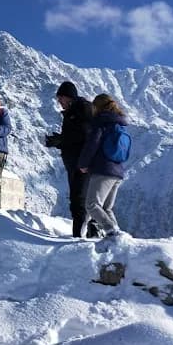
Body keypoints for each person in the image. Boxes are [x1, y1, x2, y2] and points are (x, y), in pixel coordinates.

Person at [45, 81, 100, 238]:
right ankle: (81, 233)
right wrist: (58, 142)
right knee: (78, 199)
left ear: (68, 97)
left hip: (82, 164)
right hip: (75, 163)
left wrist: (61, 140)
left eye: (60, 98)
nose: (59, 102)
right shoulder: (72, 112)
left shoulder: (82, 109)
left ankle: (82, 234)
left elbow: (84, 135)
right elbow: (74, 138)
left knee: (80, 199)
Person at [78, 94, 129, 237]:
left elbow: (91, 145)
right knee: (107, 208)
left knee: (92, 205)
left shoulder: (100, 123)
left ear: (97, 106)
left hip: (103, 170)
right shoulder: (119, 124)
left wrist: (83, 163)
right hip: (118, 172)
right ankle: (118, 237)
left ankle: (112, 232)